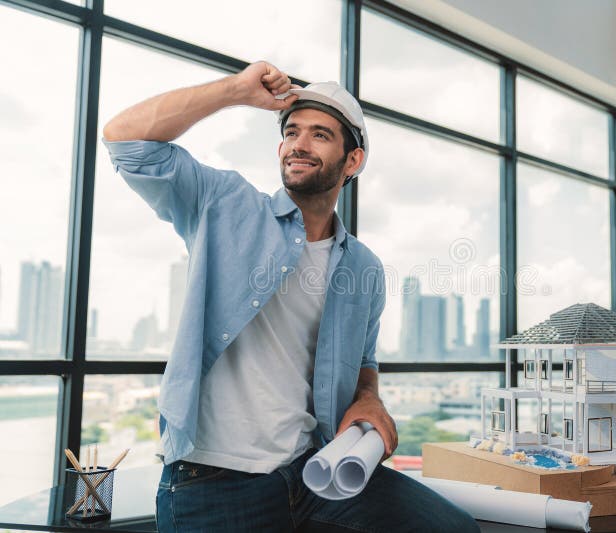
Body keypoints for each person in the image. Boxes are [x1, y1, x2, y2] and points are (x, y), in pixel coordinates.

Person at [102, 60, 479, 532]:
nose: (299, 144)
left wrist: (368, 400)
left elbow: (365, 362)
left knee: (452, 528)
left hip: (314, 472)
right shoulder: (224, 205)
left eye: (320, 134)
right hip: (213, 481)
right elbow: (124, 139)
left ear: (352, 161)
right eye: (292, 132)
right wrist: (236, 91)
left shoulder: (363, 267)